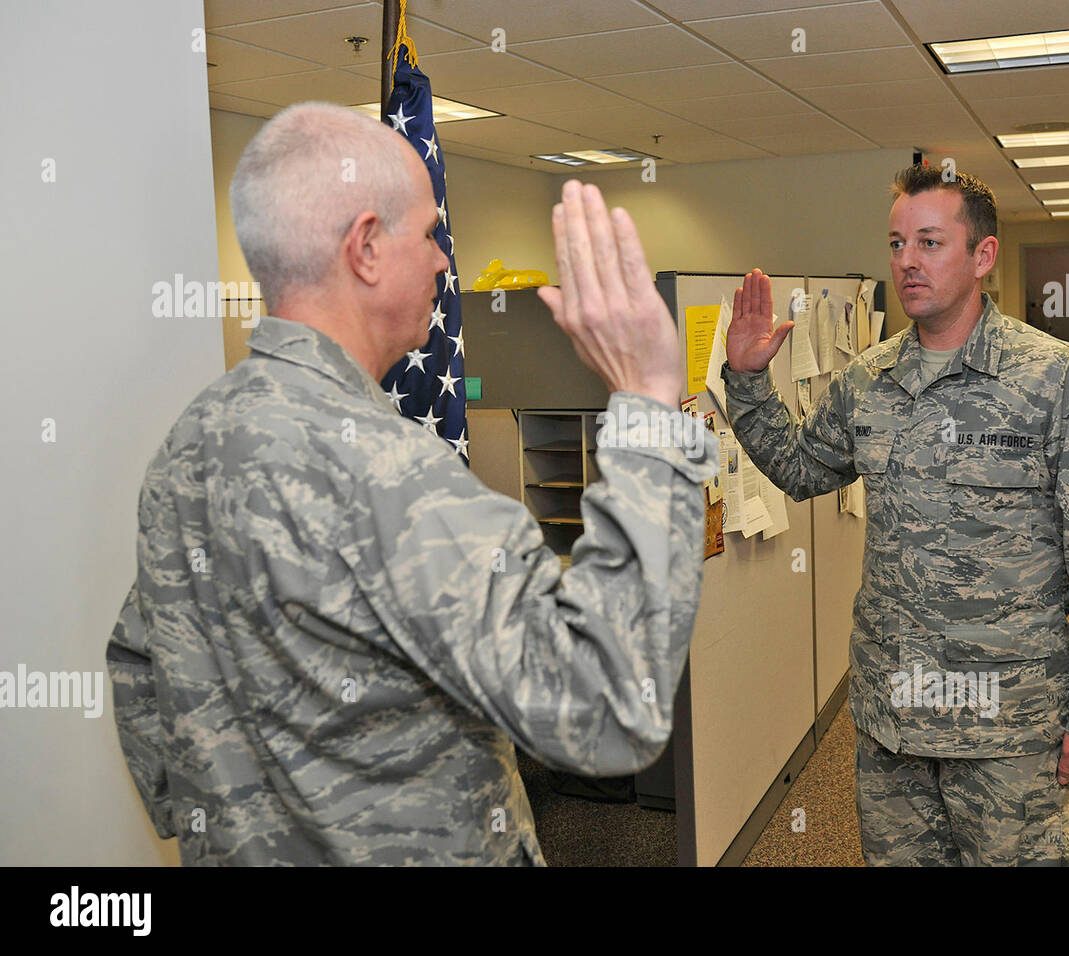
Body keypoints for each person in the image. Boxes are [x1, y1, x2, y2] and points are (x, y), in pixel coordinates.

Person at [106, 102, 716, 866]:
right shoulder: (390, 476)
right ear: (365, 247)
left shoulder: (188, 447)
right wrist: (651, 404)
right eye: (430, 233)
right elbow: (608, 708)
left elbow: (139, 672)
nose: (442, 262)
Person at [721, 164, 1069, 866]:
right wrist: (746, 381)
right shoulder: (869, 380)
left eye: (928, 242)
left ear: (982, 255)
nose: (906, 262)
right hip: (893, 723)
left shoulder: (1056, 379)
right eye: (896, 244)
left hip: (1008, 728)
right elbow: (800, 469)